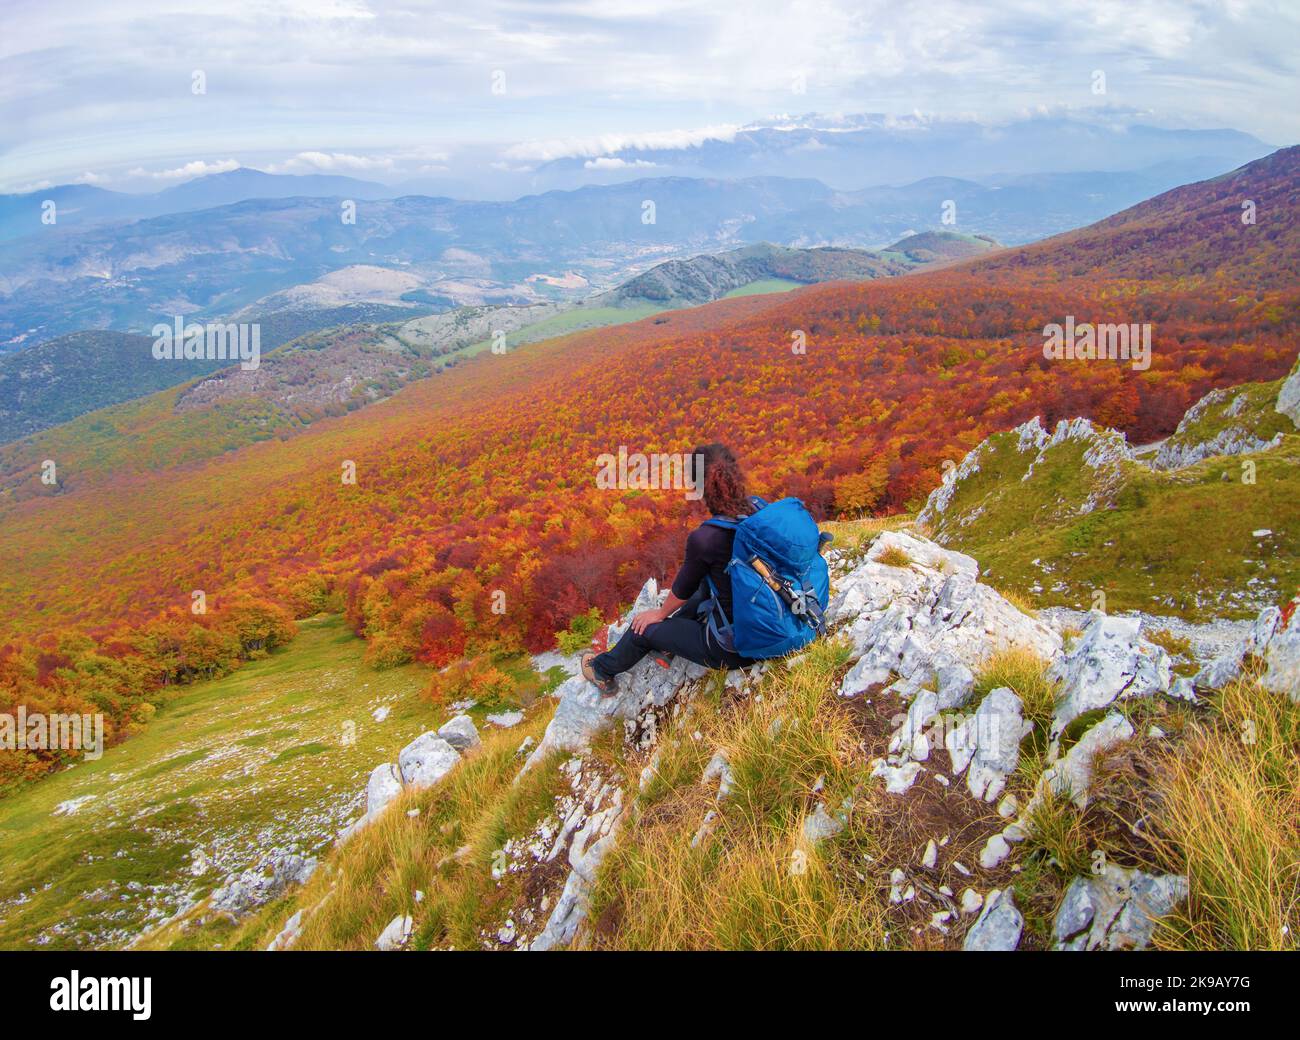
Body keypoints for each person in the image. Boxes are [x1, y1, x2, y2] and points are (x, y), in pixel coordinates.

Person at [581, 443, 758, 695]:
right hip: (778, 621)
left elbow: (682, 589)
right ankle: (669, 643)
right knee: (705, 583)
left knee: (643, 627)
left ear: (699, 487)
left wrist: (659, 613)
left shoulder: (706, 538)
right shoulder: (759, 511)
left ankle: (601, 670)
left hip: (736, 650)